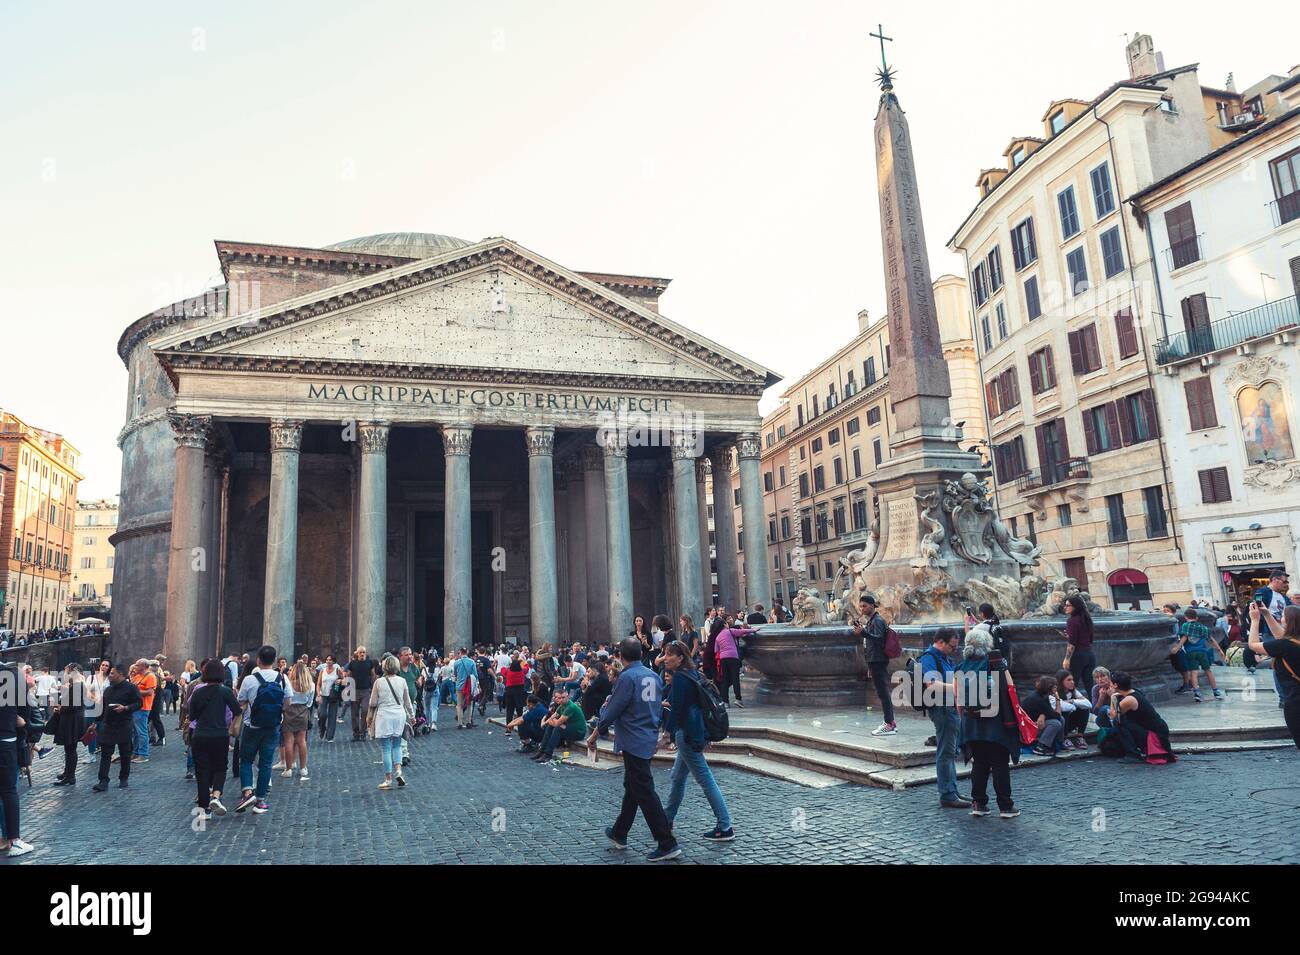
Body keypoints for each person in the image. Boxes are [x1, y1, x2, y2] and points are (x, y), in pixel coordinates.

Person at [586, 637, 680, 862]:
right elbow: (657, 707)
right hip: (647, 736)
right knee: (633, 787)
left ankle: (667, 842)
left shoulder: (627, 678)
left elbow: (613, 711)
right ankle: (620, 832)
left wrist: (596, 732)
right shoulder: (651, 676)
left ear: (620, 656)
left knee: (644, 791)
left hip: (633, 740)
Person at [660, 639, 734, 840]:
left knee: (705, 778)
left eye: (669, 655)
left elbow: (677, 710)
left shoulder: (681, 679)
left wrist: (667, 735)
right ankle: (667, 818)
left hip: (687, 734)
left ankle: (725, 825)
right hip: (693, 732)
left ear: (680, 658)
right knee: (678, 777)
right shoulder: (693, 674)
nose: (665, 658)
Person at [956, 628, 1019, 819]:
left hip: (972, 723)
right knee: (999, 763)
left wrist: (965, 721)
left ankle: (979, 803)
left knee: (980, 763)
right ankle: (1006, 807)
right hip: (995, 723)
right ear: (987, 645)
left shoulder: (961, 667)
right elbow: (1011, 689)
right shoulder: (997, 663)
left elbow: (959, 701)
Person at [920, 628, 970, 808]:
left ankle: (953, 790)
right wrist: (957, 688)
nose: (954, 650)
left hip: (950, 709)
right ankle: (947, 794)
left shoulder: (943, 657)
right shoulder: (929, 657)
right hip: (942, 710)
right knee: (946, 752)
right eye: (952, 646)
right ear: (940, 642)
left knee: (951, 752)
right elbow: (931, 683)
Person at [235, 645, 287, 815]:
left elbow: (240, 703)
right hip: (272, 727)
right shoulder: (282, 679)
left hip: (252, 726)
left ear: (258, 660)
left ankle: (248, 792)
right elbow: (288, 704)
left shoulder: (249, 680)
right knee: (265, 763)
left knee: (247, 760)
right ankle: (261, 801)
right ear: (274, 660)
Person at [187, 659, 240, 818]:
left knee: (202, 771)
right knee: (220, 767)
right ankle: (216, 796)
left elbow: (193, 715)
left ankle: (204, 809)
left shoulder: (197, 692)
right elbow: (237, 710)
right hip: (219, 735)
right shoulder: (225, 692)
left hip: (200, 735)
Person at [1246, 602, 1300, 748]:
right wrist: (1267, 614)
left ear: (1289, 622)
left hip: (1296, 703)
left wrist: (1255, 620)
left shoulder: (1285, 646)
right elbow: (1282, 637)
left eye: (1283, 616)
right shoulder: (1292, 643)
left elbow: (1253, 645)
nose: (1281, 618)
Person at [0, 659, 34, 856]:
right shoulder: (13, 676)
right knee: (8, 790)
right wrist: (22, 726)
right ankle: (14, 839)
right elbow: (24, 711)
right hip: (6, 739)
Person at [93, 663, 142, 793]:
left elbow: (139, 703)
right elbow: (102, 708)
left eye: (112, 673)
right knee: (105, 755)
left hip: (124, 724)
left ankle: (124, 778)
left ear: (120, 674)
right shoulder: (108, 689)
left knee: (125, 754)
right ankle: (103, 781)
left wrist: (125, 708)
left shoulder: (131, 688)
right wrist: (95, 723)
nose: (110, 675)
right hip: (108, 725)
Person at [1108, 671, 1174, 763]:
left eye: (1110, 683)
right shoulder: (1134, 692)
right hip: (1155, 730)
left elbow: (1113, 716)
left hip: (1155, 735)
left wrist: (1112, 697)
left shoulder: (1129, 700)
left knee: (1119, 722)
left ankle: (1133, 754)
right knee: (1123, 721)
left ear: (1115, 685)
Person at [369, 654, 414, 789]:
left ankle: (388, 779)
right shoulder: (402, 681)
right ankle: (399, 771)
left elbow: (372, 702)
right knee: (397, 745)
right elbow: (408, 702)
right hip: (399, 715)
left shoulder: (379, 682)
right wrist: (412, 716)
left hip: (384, 716)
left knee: (386, 748)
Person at [856, 595, 894, 736]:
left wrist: (864, 633)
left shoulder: (877, 620)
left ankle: (889, 724)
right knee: (882, 692)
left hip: (878, 659)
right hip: (874, 659)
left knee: (883, 693)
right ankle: (891, 723)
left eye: (865, 606)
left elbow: (879, 639)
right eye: (860, 606)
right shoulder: (872, 620)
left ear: (872, 605)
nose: (862, 609)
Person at [1175, 608, 1226, 702]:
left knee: (1194, 672)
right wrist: (1219, 650)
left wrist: (1177, 648)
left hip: (1190, 652)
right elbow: (1211, 639)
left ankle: (1197, 692)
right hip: (1202, 652)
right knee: (1208, 670)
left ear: (1185, 617)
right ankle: (1216, 691)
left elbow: (1184, 638)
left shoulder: (1185, 626)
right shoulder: (1203, 628)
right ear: (1197, 618)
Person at [51, 665, 87, 787]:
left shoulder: (77, 686)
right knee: (69, 748)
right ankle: (68, 773)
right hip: (72, 719)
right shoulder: (76, 685)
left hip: (72, 720)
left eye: (66, 672)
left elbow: (71, 705)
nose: (64, 675)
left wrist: (60, 709)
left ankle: (70, 776)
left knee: (71, 748)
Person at [533, 687, 587, 761]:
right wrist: (546, 723)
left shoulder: (570, 707)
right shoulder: (561, 706)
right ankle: (541, 751)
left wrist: (552, 721)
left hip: (579, 732)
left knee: (558, 728)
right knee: (550, 726)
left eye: (563, 697)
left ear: (567, 697)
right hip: (569, 728)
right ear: (556, 698)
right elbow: (552, 718)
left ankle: (548, 754)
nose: (561, 699)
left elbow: (557, 723)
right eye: (559, 698)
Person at [281, 661, 314, 781]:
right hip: (303, 710)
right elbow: (310, 702)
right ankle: (303, 768)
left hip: (289, 710)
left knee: (288, 741)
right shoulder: (310, 684)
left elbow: (284, 698)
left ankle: (288, 769)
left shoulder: (288, 683)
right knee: (301, 740)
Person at [1020, 675, 1066, 757]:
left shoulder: (1042, 696)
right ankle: (1040, 747)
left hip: (1035, 724)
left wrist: (1043, 715)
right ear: (1049, 688)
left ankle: (1059, 743)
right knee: (1056, 723)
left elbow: (1050, 712)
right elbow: (1057, 716)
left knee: (1061, 719)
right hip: (1028, 730)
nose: (1056, 689)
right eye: (1055, 687)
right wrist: (1058, 699)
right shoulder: (1038, 699)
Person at [713, 618, 754, 708]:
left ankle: (725, 702)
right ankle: (738, 699)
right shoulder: (730, 631)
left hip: (723, 659)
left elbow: (716, 650)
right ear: (724, 625)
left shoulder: (718, 637)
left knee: (724, 680)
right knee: (735, 679)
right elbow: (743, 631)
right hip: (733, 657)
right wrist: (754, 630)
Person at [1061, 595, 1096, 697]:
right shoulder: (1086, 619)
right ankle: (1093, 707)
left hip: (1077, 656)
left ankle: (1072, 709)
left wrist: (1067, 659)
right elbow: (1087, 638)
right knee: (1089, 685)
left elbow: (1072, 643)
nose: (1065, 607)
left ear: (1075, 606)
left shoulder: (1072, 621)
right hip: (1089, 655)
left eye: (1068, 605)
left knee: (1071, 684)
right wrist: (1070, 636)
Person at [1054, 669, 1092, 748]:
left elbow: (1088, 704)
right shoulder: (1054, 692)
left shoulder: (1073, 691)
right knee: (1066, 711)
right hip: (1058, 724)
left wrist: (1072, 701)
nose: (1072, 682)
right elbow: (1063, 707)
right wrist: (1075, 705)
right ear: (1061, 681)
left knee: (1084, 708)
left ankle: (1080, 737)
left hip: (1070, 724)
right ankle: (1064, 739)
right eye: (1069, 680)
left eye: (1072, 679)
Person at [129, 659, 157, 762]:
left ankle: (143, 754)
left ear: (143, 666)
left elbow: (150, 692)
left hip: (143, 707)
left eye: (137, 665)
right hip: (135, 707)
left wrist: (135, 692)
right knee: (135, 732)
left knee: (141, 732)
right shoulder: (137, 676)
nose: (135, 667)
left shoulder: (150, 676)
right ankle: (136, 753)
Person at [347, 647, 377, 741]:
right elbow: (349, 675)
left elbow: (373, 675)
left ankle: (363, 733)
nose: (362, 654)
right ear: (357, 653)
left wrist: (373, 686)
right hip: (355, 690)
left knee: (365, 711)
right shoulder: (353, 663)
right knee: (354, 713)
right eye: (360, 652)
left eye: (363, 652)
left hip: (366, 690)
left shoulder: (369, 663)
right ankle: (356, 734)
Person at [1161, 603, 1193, 694]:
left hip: (1177, 646)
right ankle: (1188, 683)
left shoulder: (1173, 620)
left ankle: (1187, 684)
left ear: (1173, 612)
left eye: (1167, 611)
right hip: (1173, 646)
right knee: (1180, 666)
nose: (1165, 613)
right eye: (1164, 611)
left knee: (1183, 667)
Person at [316, 655, 341, 741]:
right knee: (322, 714)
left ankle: (330, 736)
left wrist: (340, 680)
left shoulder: (337, 670)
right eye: (327, 660)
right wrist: (318, 695)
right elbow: (318, 684)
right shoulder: (322, 671)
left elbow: (345, 680)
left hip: (333, 695)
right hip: (323, 695)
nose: (328, 661)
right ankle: (322, 728)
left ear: (334, 662)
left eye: (330, 660)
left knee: (332, 716)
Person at [501, 652, 529, 728]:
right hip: (520, 691)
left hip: (509, 692)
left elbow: (502, 670)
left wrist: (506, 665)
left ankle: (508, 728)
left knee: (509, 710)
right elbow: (527, 668)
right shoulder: (522, 671)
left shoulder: (508, 671)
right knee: (519, 710)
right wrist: (524, 661)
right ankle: (520, 726)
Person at [453, 648, 478, 729]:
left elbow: (455, 674)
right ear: (467, 652)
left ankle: (460, 723)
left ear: (460, 653)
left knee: (459, 705)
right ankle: (468, 722)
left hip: (460, 686)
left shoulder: (456, 662)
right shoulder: (472, 662)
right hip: (469, 686)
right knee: (469, 704)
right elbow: (475, 674)